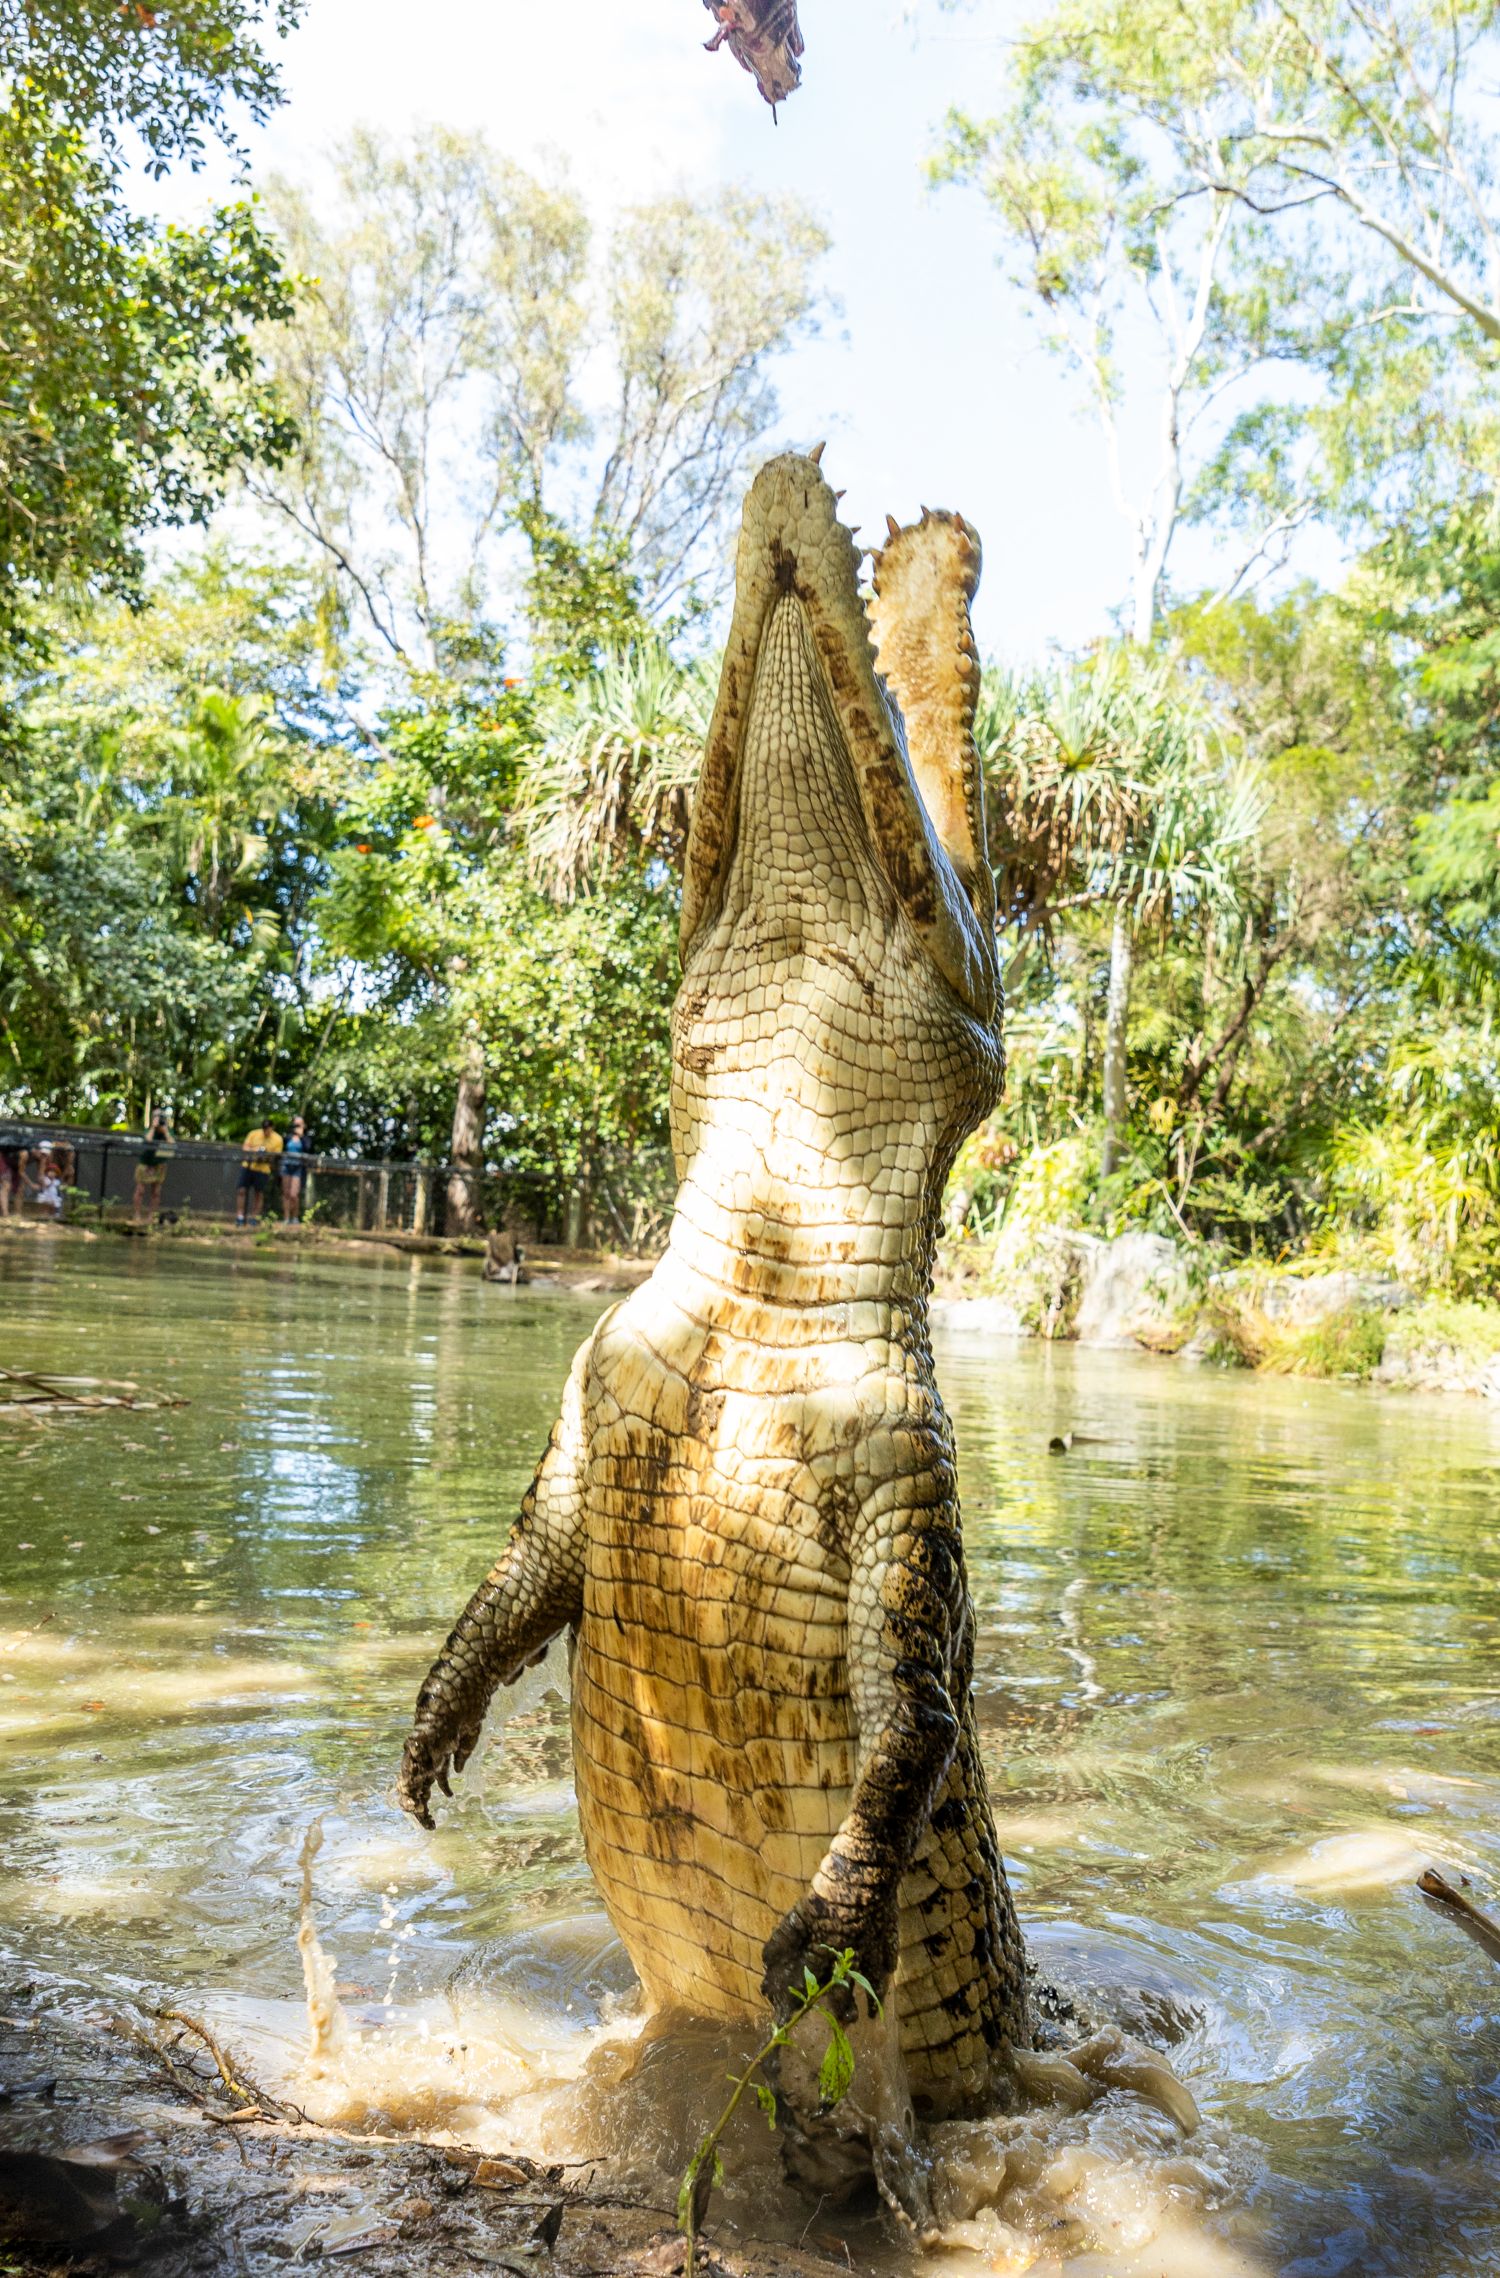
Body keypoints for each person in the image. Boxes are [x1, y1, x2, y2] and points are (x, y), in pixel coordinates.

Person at [235, 1117, 282, 1226]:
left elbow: (276, 1156)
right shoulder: (254, 1134)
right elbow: (245, 1147)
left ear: (272, 1128)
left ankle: (255, 1217)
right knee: (241, 1190)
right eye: (264, 1128)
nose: (266, 1131)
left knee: (258, 1193)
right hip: (248, 1166)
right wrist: (255, 1151)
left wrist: (265, 1156)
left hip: (263, 1169)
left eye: (268, 1129)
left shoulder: (278, 1139)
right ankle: (240, 1217)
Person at [134, 1113, 173, 1225]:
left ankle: (151, 1216)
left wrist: (165, 1132)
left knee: (156, 1192)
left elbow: (172, 1144)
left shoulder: (167, 1132)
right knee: (140, 1190)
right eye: (157, 1117)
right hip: (145, 1163)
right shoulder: (149, 1130)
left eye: (161, 1118)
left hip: (159, 1165)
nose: (160, 1120)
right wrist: (153, 1127)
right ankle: (137, 1214)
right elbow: (148, 1140)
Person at [279, 1116, 310, 1223]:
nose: (297, 1126)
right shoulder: (287, 1138)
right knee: (286, 1193)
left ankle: (295, 1217)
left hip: (298, 1168)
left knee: (294, 1194)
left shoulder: (306, 1139)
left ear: (304, 1125)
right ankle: (286, 1218)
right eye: (296, 1124)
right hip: (286, 1166)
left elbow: (308, 1149)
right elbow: (281, 1150)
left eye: (299, 1124)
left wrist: (301, 1136)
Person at [0, 1130, 28, 1219]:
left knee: (20, 1189)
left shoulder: (24, 1153)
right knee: (6, 1186)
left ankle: (17, 1213)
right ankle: (5, 1213)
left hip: (13, 1168)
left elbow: (21, 1171)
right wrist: (32, 1184)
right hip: (6, 1166)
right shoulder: (6, 1149)